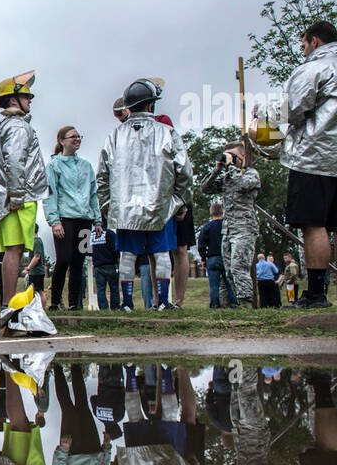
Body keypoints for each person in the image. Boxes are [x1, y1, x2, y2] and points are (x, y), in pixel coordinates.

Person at [273, 20, 337, 308]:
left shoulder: (315, 68)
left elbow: (289, 110)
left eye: (303, 42)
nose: (302, 48)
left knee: (313, 226)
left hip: (312, 158)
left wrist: (263, 111)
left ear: (314, 41)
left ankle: (316, 294)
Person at [97, 78, 193, 312]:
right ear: (151, 105)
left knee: (127, 255)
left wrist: (109, 205)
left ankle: (128, 303)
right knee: (161, 253)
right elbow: (185, 171)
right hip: (159, 207)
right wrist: (180, 202)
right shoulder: (167, 132)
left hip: (126, 208)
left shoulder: (115, 136)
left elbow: (102, 175)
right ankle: (162, 302)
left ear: (129, 106)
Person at [0, 71, 50, 303]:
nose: (30, 99)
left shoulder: (3, 127)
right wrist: (16, 195)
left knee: (13, 250)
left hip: (8, 197)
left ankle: (7, 303)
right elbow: (14, 161)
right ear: (13, 100)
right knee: (15, 249)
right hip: (19, 197)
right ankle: (9, 304)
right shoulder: (18, 126)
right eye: (26, 95)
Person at [44, 125, 102, 311]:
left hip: (84, 220)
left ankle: (75, 303)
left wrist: (97, 220)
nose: (77, 139)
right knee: (63, 260)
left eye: (79, 136)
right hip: (65, 219)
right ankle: (55, 302)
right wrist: (54, 221)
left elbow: (93, 194)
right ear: (62, 141)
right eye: (72, 137)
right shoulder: (54, 166)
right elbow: (50, 194)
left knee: (79, 261)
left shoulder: (86, 166)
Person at [201, 141, 260, 308]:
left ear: (243, 156)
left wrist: (232, 166)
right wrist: (218, 169)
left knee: (238, 267)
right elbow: (205, 188)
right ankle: (231, 303)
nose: (230, 160)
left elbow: (242, 185)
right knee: (228, 271)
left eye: (234, 156)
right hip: (228, 229)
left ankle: (246, 303)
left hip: (245, 227)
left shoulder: (251, 174)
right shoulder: (226, 176)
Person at [155, 114, 194, 307]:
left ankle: (178, 300)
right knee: (156, 250)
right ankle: (159, 300)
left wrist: (182, 203)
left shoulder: (178, 148)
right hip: (157, 203)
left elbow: (185, 175)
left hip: (179, 201)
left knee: (180, 249)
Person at [197, 203, 237, 308]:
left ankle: (214, 304)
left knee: (214, 285)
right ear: (223, 212)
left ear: (211, 213)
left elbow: (201, 245)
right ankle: (233, 303)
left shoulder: (207, 227)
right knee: (229, 282)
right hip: (226, 257)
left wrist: (203, 258)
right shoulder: (226, 225)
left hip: (212, 257)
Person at [92, 214, 119, 309]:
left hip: (97, 266)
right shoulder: (110, 233)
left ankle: (103, 308)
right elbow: (115, 249)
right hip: (110, 264)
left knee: (100, 289)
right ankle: (115, 307)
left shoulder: (93, 234)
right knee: (114, 288)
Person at [23, 234, 47, 300]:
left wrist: (28, 268)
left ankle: (42, 309)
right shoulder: (34, 241)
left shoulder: (36, 242)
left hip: (37, 272)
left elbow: (37, 257)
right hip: (33, 272)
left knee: (39, 292)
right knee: (34, 292)